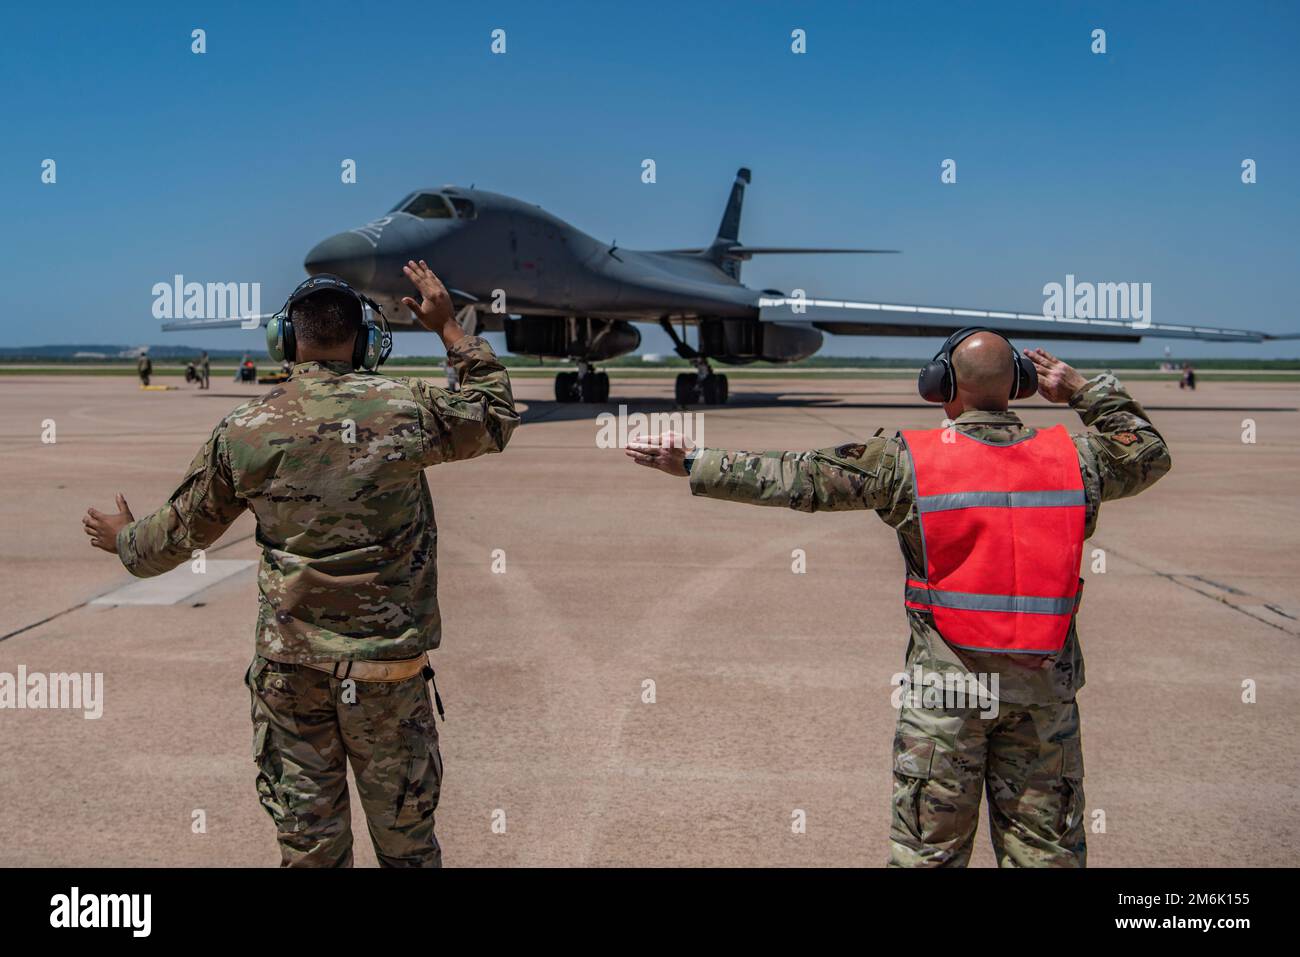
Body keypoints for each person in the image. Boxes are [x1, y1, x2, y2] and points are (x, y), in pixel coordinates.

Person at [626, 329, 1171, 867]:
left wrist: (695, 462)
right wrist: (1082, 389)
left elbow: (799, 477)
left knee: (927, 856)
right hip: (1044, 700)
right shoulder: (1075, 460)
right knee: (1045, 856)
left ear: (942, 384)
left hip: (946, 703)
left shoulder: (908, 461)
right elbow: (1148, 451)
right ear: (1021, 385)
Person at [82, 261, 519, 867]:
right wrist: (449, 330)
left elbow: (170, 542)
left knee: (310, 850)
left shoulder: (246, 430)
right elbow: (494, 415)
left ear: (284, 341)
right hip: (386, 672)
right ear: (365, 342)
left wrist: (125, 537)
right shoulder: (406, 408)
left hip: (291, 674)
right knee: (409, 850)